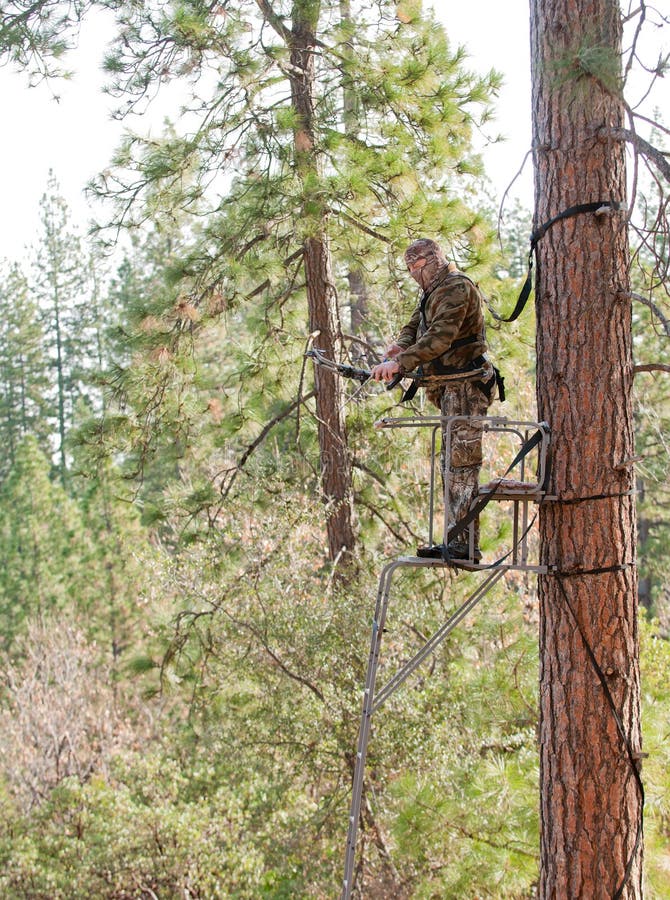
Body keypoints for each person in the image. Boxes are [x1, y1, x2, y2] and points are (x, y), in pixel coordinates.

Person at [371, 238, 501, 561]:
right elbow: (414, 326)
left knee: (462, 466)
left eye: (419, 267)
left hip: (468, 388)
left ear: (434, 259)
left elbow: (440, 337)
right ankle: (456, 541)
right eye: (410, 270)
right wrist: (399, 349)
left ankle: (464, 546)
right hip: (450, 391)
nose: (416, 275)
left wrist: (401, 363)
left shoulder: (456, 288)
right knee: (451, 468)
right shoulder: (431, 293)